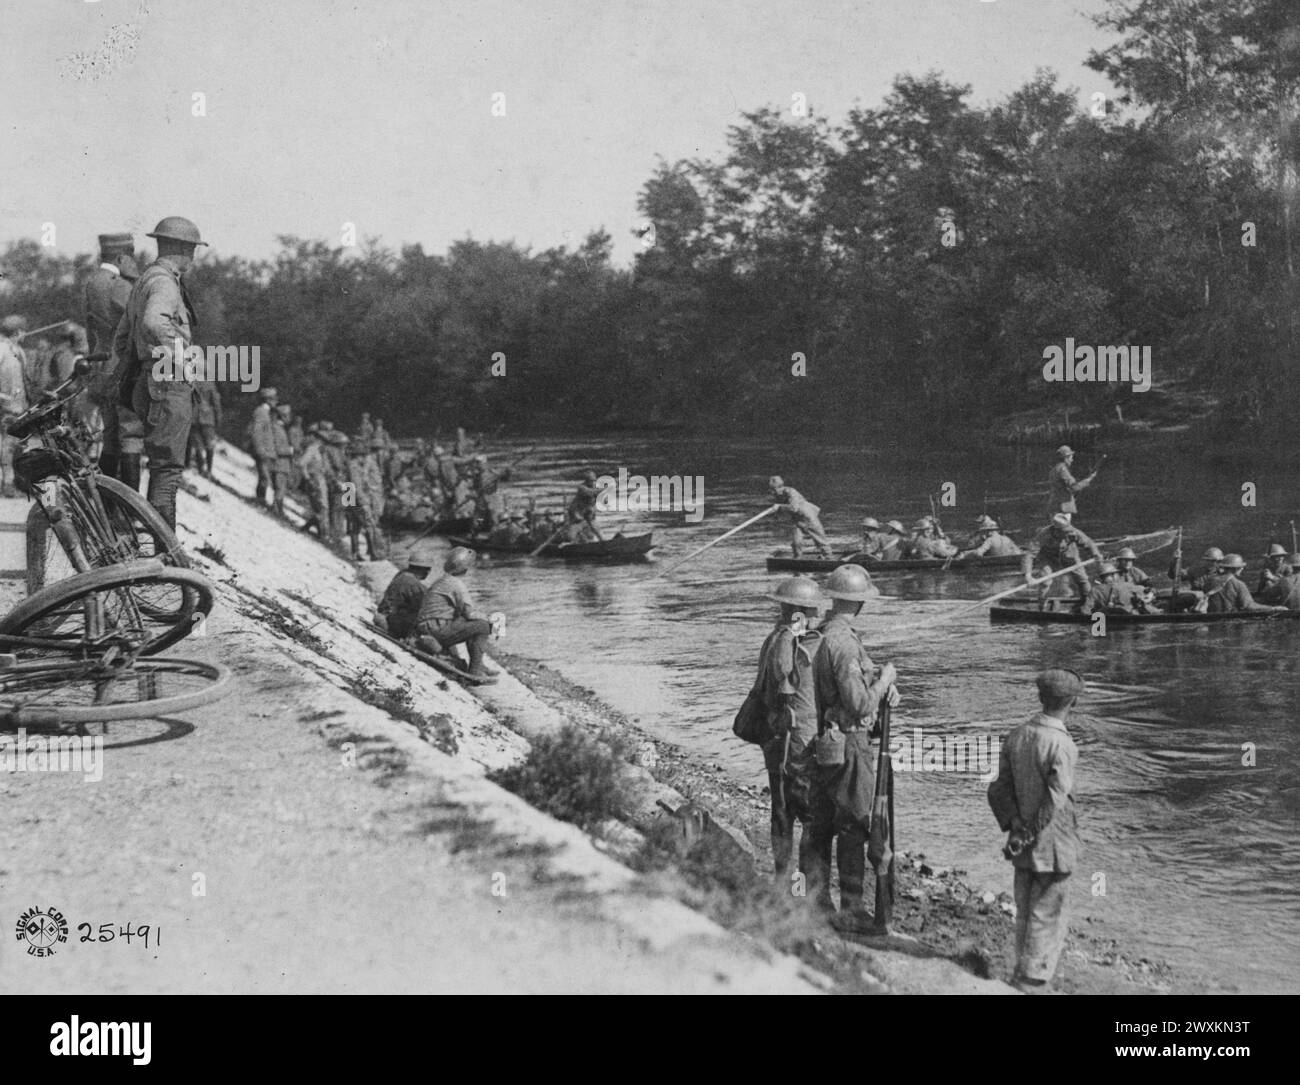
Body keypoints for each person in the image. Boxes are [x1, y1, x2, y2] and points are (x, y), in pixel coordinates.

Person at [810, 564, 899, 924]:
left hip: (826, 741)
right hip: (849, 743)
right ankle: (851, 908)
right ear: (859, 602)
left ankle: (813, 902)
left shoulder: (823, 633)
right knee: (854, 824)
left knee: (821, 823)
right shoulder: (844, 643)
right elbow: (859, 704)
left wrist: (879, 685)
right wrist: (886, 680)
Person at [987, 668, 1083, 991]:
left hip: (1021, 842)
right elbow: (1055, 799)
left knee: (1025, 910)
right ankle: (1032, 980)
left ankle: (1020, 971)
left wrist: (1015, 826)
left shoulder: (1017, 735)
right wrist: (1030, 829)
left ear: (1041, 698)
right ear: (1073, 703)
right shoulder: (1063, 745)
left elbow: (998, 790)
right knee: (1048, 911)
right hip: (1052, 843)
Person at [115, 215, 206, 529]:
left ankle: (155, 544)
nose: (193, 258)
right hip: (167, 381)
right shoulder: (166, 282)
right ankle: (166, 551)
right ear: (181, 248)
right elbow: (155, 322)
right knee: (167, 470)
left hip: (147, 378)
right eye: (192, 250)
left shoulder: (144, 280)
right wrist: (182, 357)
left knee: (158, 465)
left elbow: (122, 336)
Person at [753, 577, 826, 889]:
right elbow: (785, 685)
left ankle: (785, 884)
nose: (817, 616)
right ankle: (800, 891)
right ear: (800, 612)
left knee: (782, 811)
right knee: (808, 815)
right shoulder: (788, 640)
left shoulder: (776, 636)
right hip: (793, 742)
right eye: (812, 611)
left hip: (779, 739)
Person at [84, 232, 142, 484]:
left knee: (110, 435)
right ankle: (131, 509)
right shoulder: (119, 285)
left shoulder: (92, 282)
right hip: (123, 368)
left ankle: (109, 506)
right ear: (121, 256)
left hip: (101, 366)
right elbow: (139, 323)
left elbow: (90, 331)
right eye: (131, 257)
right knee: (131, 434)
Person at [414, 546, 499, 680]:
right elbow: (469, 613)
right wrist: (489, 619)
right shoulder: (457, 585)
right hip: (434, 629)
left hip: (427, 626)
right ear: (465, 569)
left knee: (473, 624)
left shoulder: (443, 580)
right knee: (483, 626)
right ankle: (475, 670)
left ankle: (478, 665)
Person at [1031, 513, 1103, 610]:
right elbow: (1030, 553)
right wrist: (1027, 574)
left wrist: (1096, 555)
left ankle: (1088, 602)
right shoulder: (1045, 534)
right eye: (1063, 531)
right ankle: (1042, 605)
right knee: (1045, 581)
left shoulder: (1073, 532)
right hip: (1048, 558)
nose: (1066, 533)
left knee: (1082, 579)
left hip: (1070, 556)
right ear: (1056, 529)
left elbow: (1088, 543)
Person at [0, 315, 30, 497]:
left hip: (19, 406)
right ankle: (7, 483)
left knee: (17, 444)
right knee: (8, 444)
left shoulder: (18, 350)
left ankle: (17, 481)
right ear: (18, 332)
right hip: (6, 406)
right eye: (23, 331)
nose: (25, 334)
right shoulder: (2, 349)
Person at [376, 546, 433, 639]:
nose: (429, 572)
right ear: (423, 569)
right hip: (391, 622)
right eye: (428, 569)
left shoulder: (402, 574)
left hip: (383, 615)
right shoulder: (414, 584)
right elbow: (424, 607)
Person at [769, 475, 832, 558]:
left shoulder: (791, 492)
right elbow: (783, 508)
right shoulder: (780, 495)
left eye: (773, 490)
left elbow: (793, 508)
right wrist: (776, 511)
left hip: (808, 517)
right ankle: (797, 558)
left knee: (820, 539)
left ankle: (828, 558)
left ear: (778, 488)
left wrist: (779, 507)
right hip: (797, 520)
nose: (773, 493)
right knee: (796, 542)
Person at [343, 439, 385, 560]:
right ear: (359, 455)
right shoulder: (354, 467)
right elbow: (357, 486)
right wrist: (364, 502)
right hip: (354, 496)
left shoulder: (351, 464)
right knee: (368, 524)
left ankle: (356, 552)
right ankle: (372, 553)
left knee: (354, 525)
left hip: (349, 494)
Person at [1205, 554, 1286, 614]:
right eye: (1241, 567)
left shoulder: (1209, 581)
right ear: (1236, 568)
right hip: (1231, 622)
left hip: (1212, 619)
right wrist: (1273, 608)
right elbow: (1249, 606)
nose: (1242, 568)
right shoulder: (1239, 584)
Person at [297, 426, 334, 541]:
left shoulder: (322, 452)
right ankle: (324, 535)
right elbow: (302, 464)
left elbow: (326, 469)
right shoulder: (312, 449)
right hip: (314, 480)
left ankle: (307, 527)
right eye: (324, 441)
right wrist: (307, 479)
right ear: (319, 439)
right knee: (323, 507)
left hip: (321, 480)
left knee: (322, 507)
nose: (325, 444)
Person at [1047, 445, 1097, 520]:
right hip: (1062, 508)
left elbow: (1064, 486)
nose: (1072, 460)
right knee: (1065, 530)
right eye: (1071, 457)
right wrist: (1089, 479)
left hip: (1055, 506)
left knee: (1057, 530)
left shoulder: (1055, 469)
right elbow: (1074, 487)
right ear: (1065, 458)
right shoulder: (1062, 469)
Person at [248, 387, 279, 507]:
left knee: (263, 478)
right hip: (263, 451)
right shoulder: (261, 412)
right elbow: (257, 432)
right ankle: (260, 500)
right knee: (265, 478)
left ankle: (260, 500)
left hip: (266, 451)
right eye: (274, 399)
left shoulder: (266, 413)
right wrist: (259, 449)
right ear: (268, 400)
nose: (276, 401)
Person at [188, 379, 222, 478]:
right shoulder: (210, 385)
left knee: (197, 444)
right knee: (209, 445)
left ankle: (200, 468)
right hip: (208, 418)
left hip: (194, 416)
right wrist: (218, 421)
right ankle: (209, 470)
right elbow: (216, 403)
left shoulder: (193, 382)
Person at [957, 515, 1022, 560]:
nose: (982, 534)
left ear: (987, 531)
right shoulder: (1006, 538)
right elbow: (1018, 552)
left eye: (983, 531)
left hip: (993, 565)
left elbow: (978, 553)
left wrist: (965, 553)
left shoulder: (990, 540)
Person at [565, 468, 602, 542]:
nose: (593, 482)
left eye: (594, 480)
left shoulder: (595, 487)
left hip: (589, 517)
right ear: (586, 481)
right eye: (591, 481)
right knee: (570, 537)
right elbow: (590, 492)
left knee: (597, 534)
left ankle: (604, 543)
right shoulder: (582, 488)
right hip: (577, 517)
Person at [271, 403, 295, 515]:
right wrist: (290, 451)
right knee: (279, 489)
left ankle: (278, 509)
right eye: (288, 416)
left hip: (283, 464)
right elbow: (277, 448)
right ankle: (276, 510)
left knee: (281, 489)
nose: (289, 418)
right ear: (283, 416)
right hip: (279, 464)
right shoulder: (277, 429)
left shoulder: (280, 429)